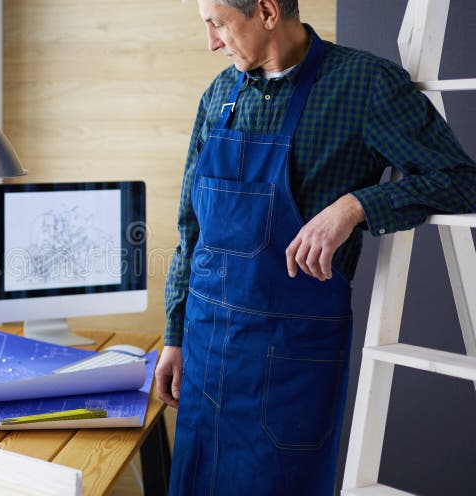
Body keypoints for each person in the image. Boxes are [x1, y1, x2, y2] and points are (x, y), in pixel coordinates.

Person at [154, 0, 476, 494]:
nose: (211, 42)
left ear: (265, 11)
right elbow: (189, 229)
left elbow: (462, 180)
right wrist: (174, 336)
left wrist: (356, 206)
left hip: (288, 367)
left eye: (218, 24)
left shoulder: (365, 86)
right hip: (205, 355)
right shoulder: (219, 94)